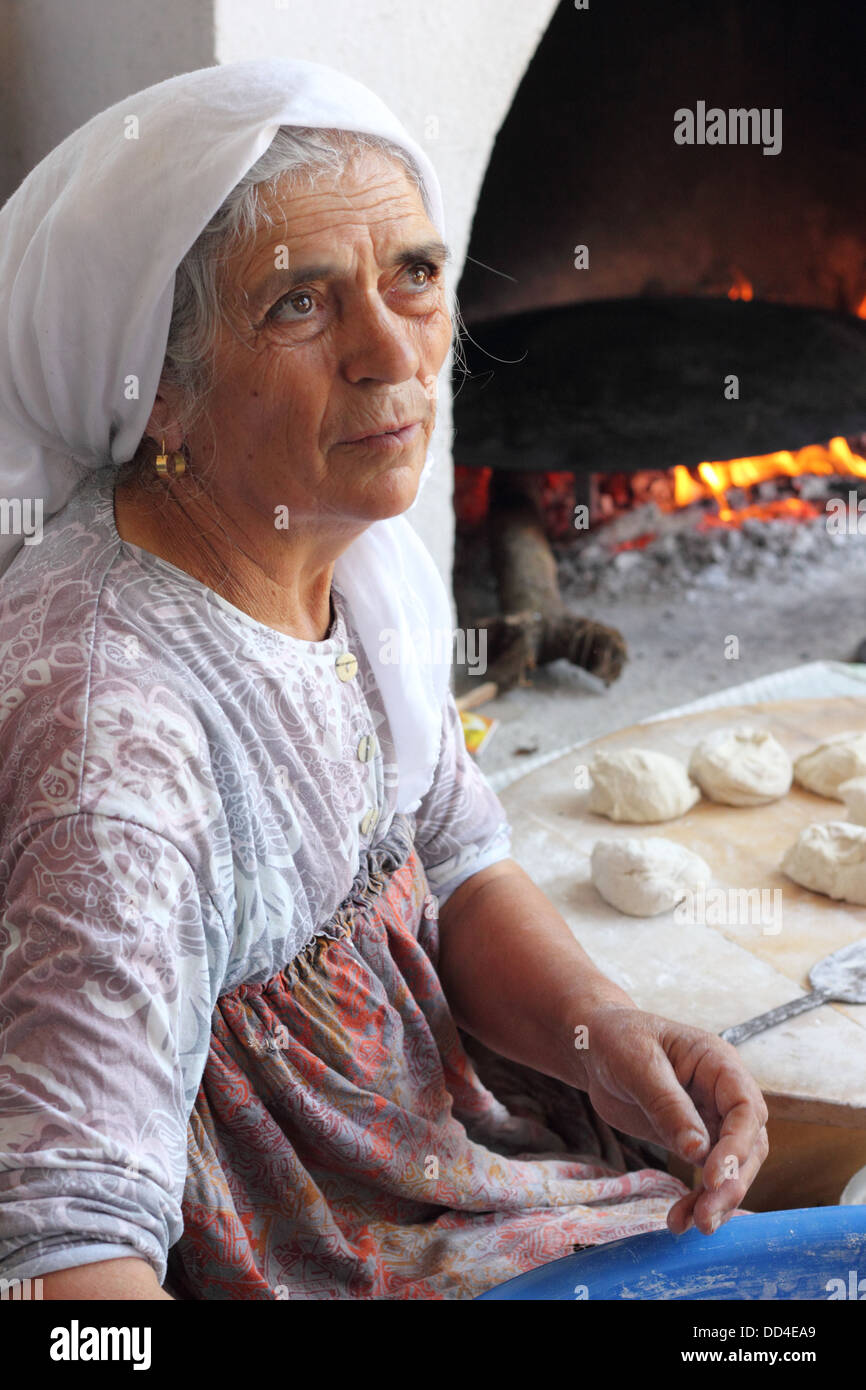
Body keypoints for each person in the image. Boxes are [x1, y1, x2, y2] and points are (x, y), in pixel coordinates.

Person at [0, 58, 768, 1301]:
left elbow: (451, 857)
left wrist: (601, 1032)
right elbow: (68, 1238)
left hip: (438, 1173)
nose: (388, 352)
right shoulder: (116, 739)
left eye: (413, 275)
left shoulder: (339, 551)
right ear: (160, 397)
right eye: (299, 304)